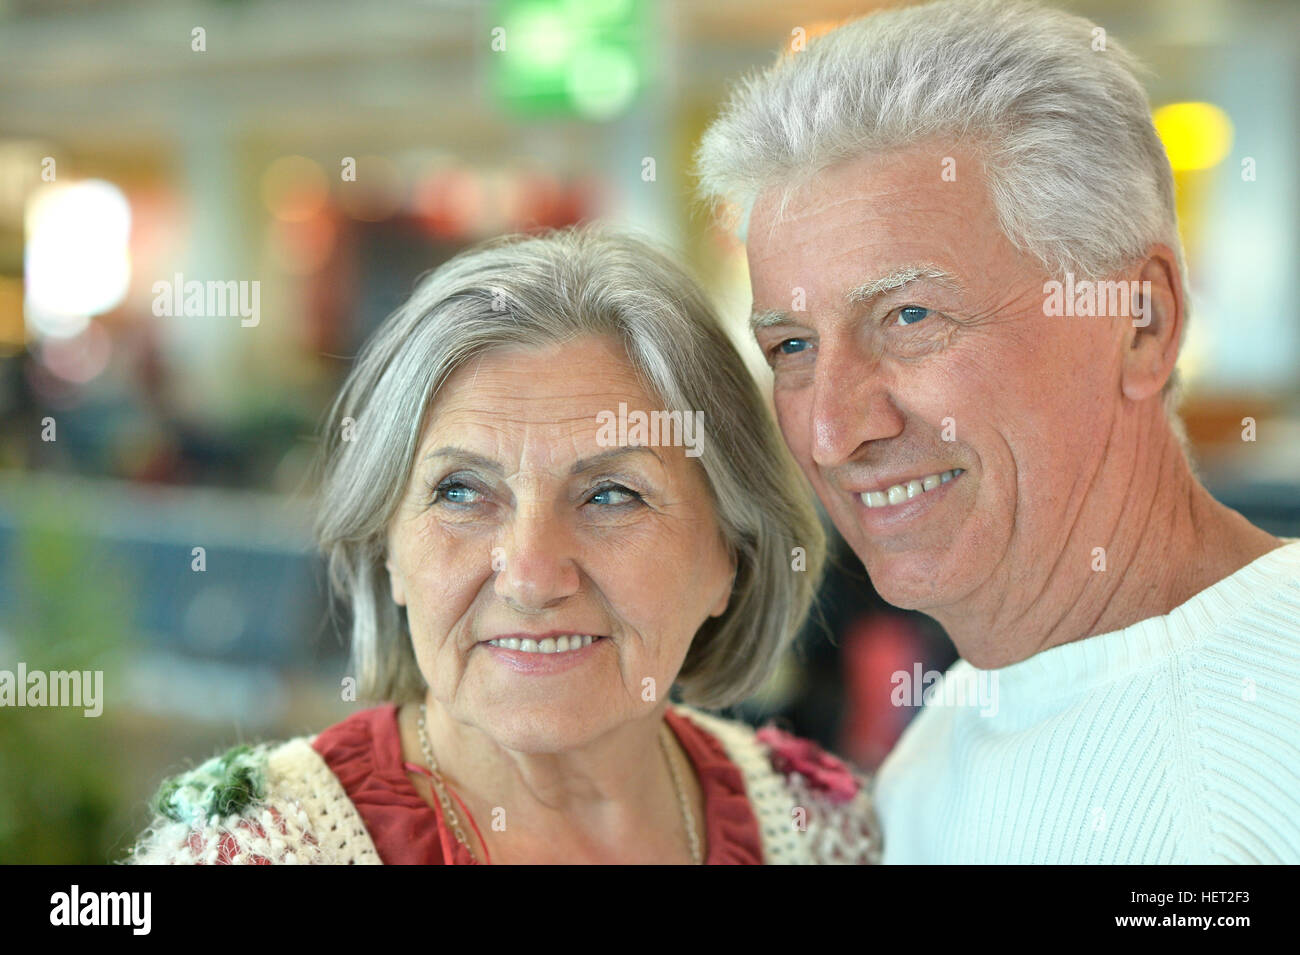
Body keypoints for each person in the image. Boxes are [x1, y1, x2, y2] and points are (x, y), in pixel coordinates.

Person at [696, 0, 1300, 862]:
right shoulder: (928, 764)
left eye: (909, 316)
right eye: (792, 344)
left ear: (1141, 322)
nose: (832, 430)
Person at [124, 226, 880, 865]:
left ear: (731, 557)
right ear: (388, 546)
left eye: (611, 494)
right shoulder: (256, 848)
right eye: (460, 492)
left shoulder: (821, 830)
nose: (529, 575)